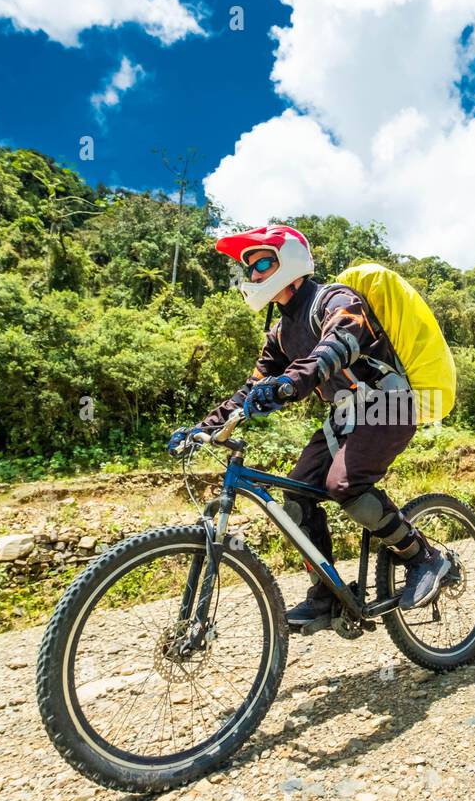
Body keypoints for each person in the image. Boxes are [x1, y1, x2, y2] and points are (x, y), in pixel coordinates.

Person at [167, 225, 451, 628]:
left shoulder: (335, 299)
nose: (254, 275)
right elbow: (250, 388)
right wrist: (202, 427)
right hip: (345, 415)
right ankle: (325, 597)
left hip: (388, 405)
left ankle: (424, 556)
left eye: (263, 262)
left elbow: (339, 343)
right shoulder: (280, 334)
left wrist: (291, 382)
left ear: (292, 263)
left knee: (342, 486)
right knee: (296, 496)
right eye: (250, 268)